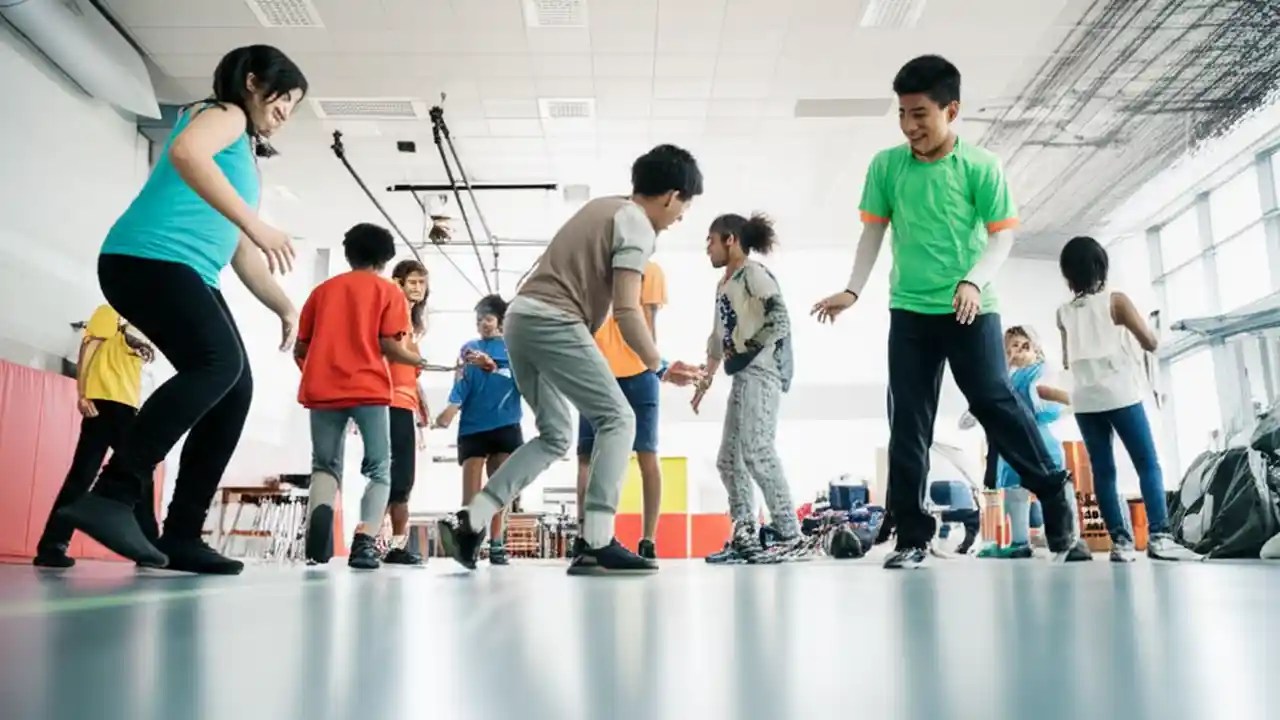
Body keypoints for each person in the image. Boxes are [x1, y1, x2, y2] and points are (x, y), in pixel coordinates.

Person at [810, 54, 1090, 569]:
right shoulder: (886, 166)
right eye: (902, 114)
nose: (910, 125)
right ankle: (912, 535)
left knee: (993, 401)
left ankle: (1054, 494)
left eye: (920, 114)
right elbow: (873, 232)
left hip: (971, 308)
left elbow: (1003, 235)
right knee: (908, 421)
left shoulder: (981, 166)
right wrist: (852, 290)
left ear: (951, 110)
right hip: (911, 311)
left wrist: (972, 281)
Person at [56, 45, 307, 574]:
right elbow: (186, 154)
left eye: (294, 107)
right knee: (216, 364)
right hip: (145, 258)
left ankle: (182, 535)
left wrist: (285, 306)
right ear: (254, 82)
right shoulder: (224, 113)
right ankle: (114, 492)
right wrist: (259, 225)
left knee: (235, 389)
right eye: (283, 99)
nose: (286, 113)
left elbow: (238, 247)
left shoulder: (241, 157)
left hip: (185, 271)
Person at [435, 144, 705, 576]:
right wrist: (660, 365)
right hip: (554, 319)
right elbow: (627, 310)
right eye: (684, 205)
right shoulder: (638, 226)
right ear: (672, 195)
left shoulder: (604, 207)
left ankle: (472, 520)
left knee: (555, 435)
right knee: (619, 419)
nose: (681, 216)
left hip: (520, 319)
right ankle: (596, 539)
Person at [295, 224, 433, 570]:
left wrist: (318, 372)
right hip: (370, 389)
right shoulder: (389, 294)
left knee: (324, 465)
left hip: (322, 389)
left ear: (348, 253)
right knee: (379, 468)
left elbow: (301, 347)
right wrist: (417, 360)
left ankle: (319, 531)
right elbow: (391, 346)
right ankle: (364, 541)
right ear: (387, 258)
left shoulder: (322, 291)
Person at [1057, 235, 1202, 562]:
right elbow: (1150, 342)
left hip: (1085, 400)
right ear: (1100, 266)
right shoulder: (1116, 301)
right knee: (1147, 464)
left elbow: (1068, 360)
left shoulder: (1062, 313)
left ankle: (1120, 543)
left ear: (1068, 275)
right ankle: (1160, 536)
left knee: (1103, 471)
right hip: (1119, 394)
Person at [693, 213, 803, 564]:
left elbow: (780, 319)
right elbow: (717, 338)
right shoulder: (725, 283)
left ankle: (790, 535)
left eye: (711, 240)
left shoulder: (753, 274)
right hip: (741, 374)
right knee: (729, 460)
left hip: (763, 371)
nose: (707, 248)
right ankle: (746, 536)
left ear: (730, 239)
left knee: (756, 450)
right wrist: (705, 379)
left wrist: (751, 346)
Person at [34, 305, 157, 568]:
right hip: (106, 401)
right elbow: (88, 349)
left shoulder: (144, 325)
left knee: (83, 473)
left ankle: (52, 545)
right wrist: (82, 394)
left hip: (127, 403)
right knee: (138, 469)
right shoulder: (110, 312)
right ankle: (150, 544)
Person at [575, 261, 668, 560]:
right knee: (645, 459)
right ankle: (648, 539)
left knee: (590, 460)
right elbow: (650, 326)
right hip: (629, 372)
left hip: (602, 373)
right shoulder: (649, 270)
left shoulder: (592, 272)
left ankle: (585, 536)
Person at [434, 294, 524, 565]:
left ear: (500, 321)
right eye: (479, 320)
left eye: (488, 318)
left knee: (498, 490)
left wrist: (494, 367)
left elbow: (523, 382)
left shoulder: (514, 349)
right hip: (473, 428)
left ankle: (497, 543)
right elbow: (461, 383)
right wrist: (450, 409)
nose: (483, 324)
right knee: (471, 495)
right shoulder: (469, 349)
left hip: (506, 425)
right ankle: (469, 545)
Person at [969, 326, 1069, 559]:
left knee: (1053, 488)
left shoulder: (1041, 371)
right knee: (1015, 492)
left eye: (1025, 345)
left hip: (1040, 440)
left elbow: (1046, 406)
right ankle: (1019, 541)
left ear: (1035, 346)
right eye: (1013, 346)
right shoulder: (1005, 378)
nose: (1020, 351)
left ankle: (1064, 538)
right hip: (1011, 445)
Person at [383, 259, 432, 566]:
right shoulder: (392, 309)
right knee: (393, 479)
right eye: (411, 281)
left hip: (405, 403)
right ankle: (375, 542)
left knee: (403, 480)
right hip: (388, 402)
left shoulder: (411, 323)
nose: (418, 288)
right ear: (398, 282)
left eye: (422, 283)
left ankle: (396, 545)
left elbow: (410, 370)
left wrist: (421, 400)